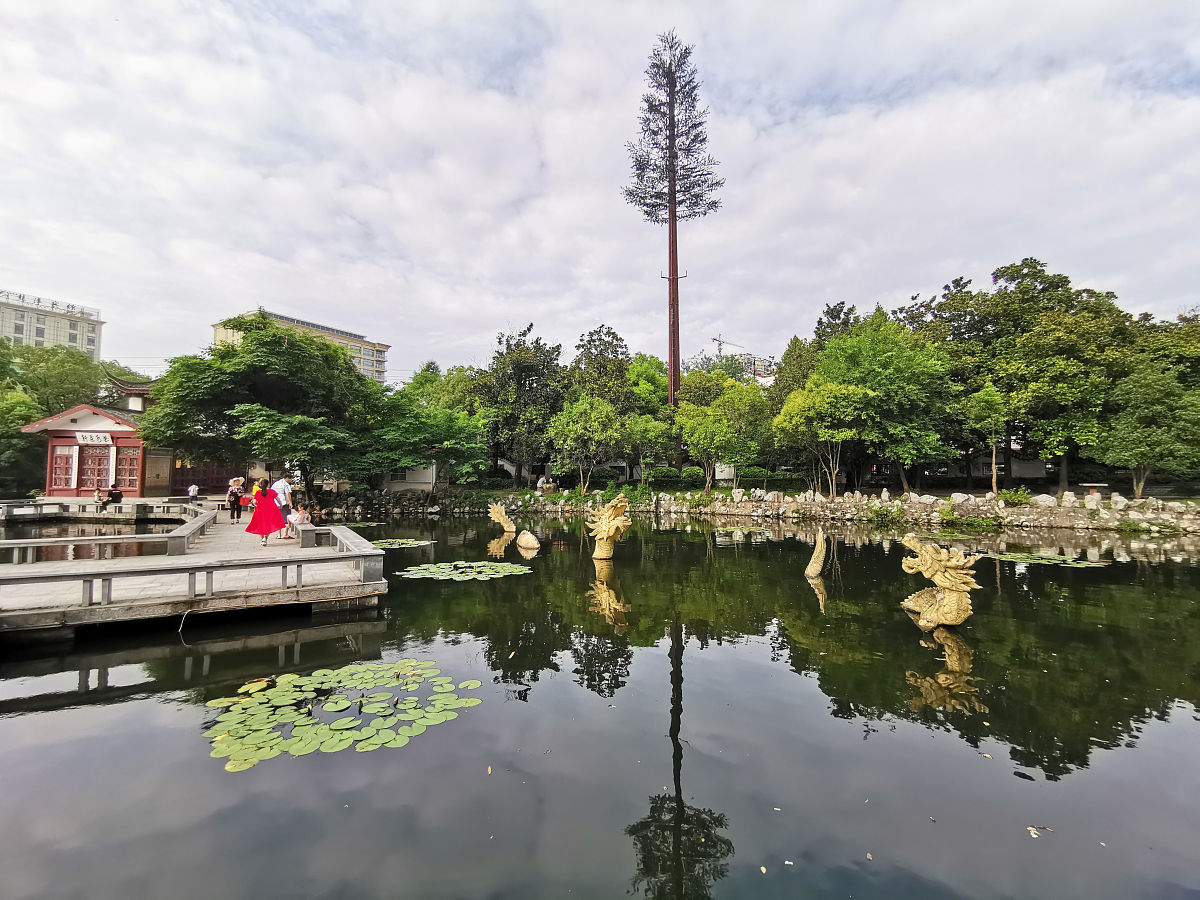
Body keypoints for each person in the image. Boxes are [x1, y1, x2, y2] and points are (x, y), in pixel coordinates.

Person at [245, 478, 286, 547]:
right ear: (268, 484)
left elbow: (254, 502)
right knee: (268, 524)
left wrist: (257, 504)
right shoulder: (272, 491)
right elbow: (278, 499)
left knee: (260, 524)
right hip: (271, 509)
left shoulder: (258, 492)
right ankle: (265, 538)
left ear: (260, 484)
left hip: (260, 510)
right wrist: (281, 505)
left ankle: (262, 539)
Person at [270, 474, 294, 538]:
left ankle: (279, 534)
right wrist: (290, 503)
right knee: (287, 518)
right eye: (290, 479)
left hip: (276, 503)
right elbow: (288, 493)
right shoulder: (286, 484)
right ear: (287, 478)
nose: (291, 480)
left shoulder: (275, 484)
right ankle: (285, 534)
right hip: (284, 503)